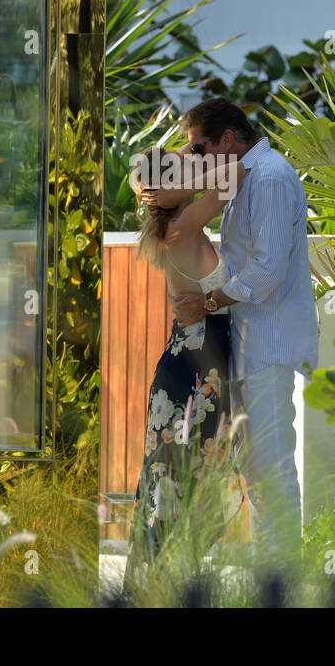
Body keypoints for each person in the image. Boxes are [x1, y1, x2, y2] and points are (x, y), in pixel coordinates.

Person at [142, 98, 319, 576]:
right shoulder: (203, 210)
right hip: (215, 356)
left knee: (257, 468)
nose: (197, 162)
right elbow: (228, 182)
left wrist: (168, 189)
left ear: (226, 139)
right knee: (214, 472)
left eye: (199, 150)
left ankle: (276, 580)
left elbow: (264, 268)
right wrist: (170, 189)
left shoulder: (267, 177)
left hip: (245, 349)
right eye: (188, 160)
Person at [124, 145, 248, 577]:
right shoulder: (183, 225)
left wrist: (175, 184)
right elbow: (236, 172)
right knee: (175, 483)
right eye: (180, 172)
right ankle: (154, 588)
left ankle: (164, 585)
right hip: (195, 370)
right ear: (164, 191)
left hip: (199, 362)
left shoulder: (182, 222)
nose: (193, 171)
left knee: (185, 479)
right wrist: (175, 189)